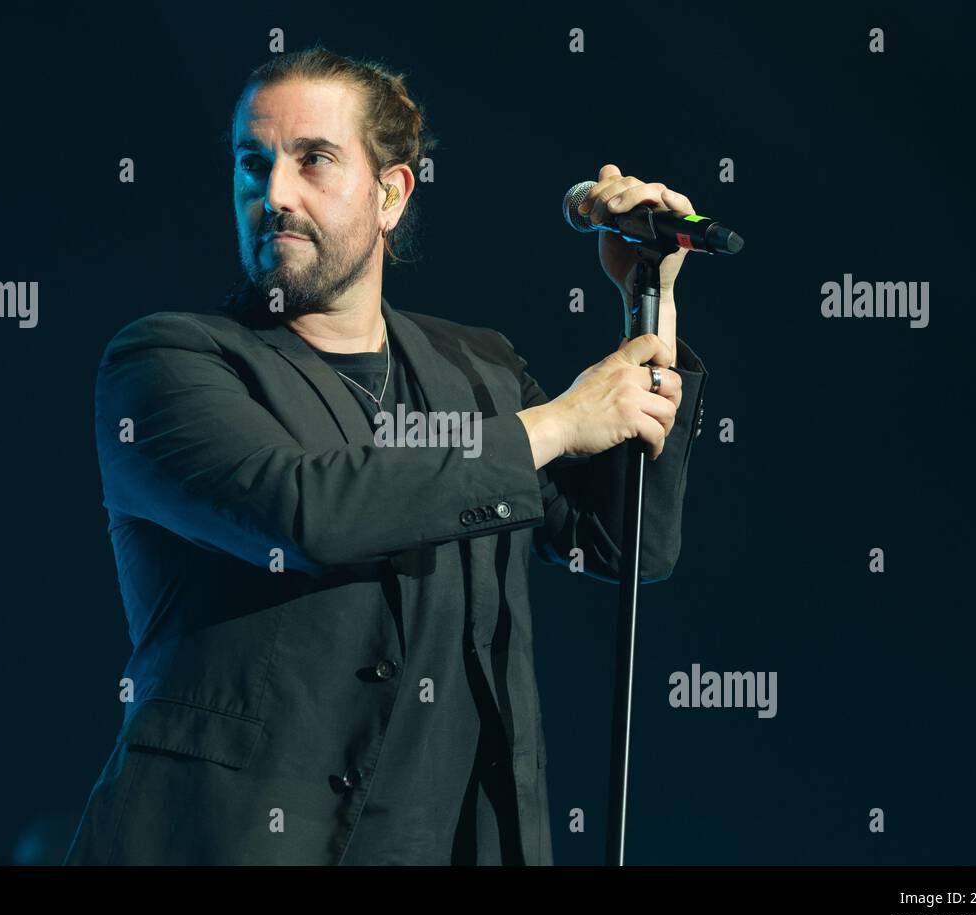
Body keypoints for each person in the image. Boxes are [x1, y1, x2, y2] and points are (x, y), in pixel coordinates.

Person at [64, 45, 709, 866]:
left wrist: (651, 299)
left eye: (314, 161)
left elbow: (623, 544)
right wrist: (553, 424)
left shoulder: (476, 370)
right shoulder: (168, 363)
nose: (275, 195)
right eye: (253, 163)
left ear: (392, 194)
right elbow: (306, 512)